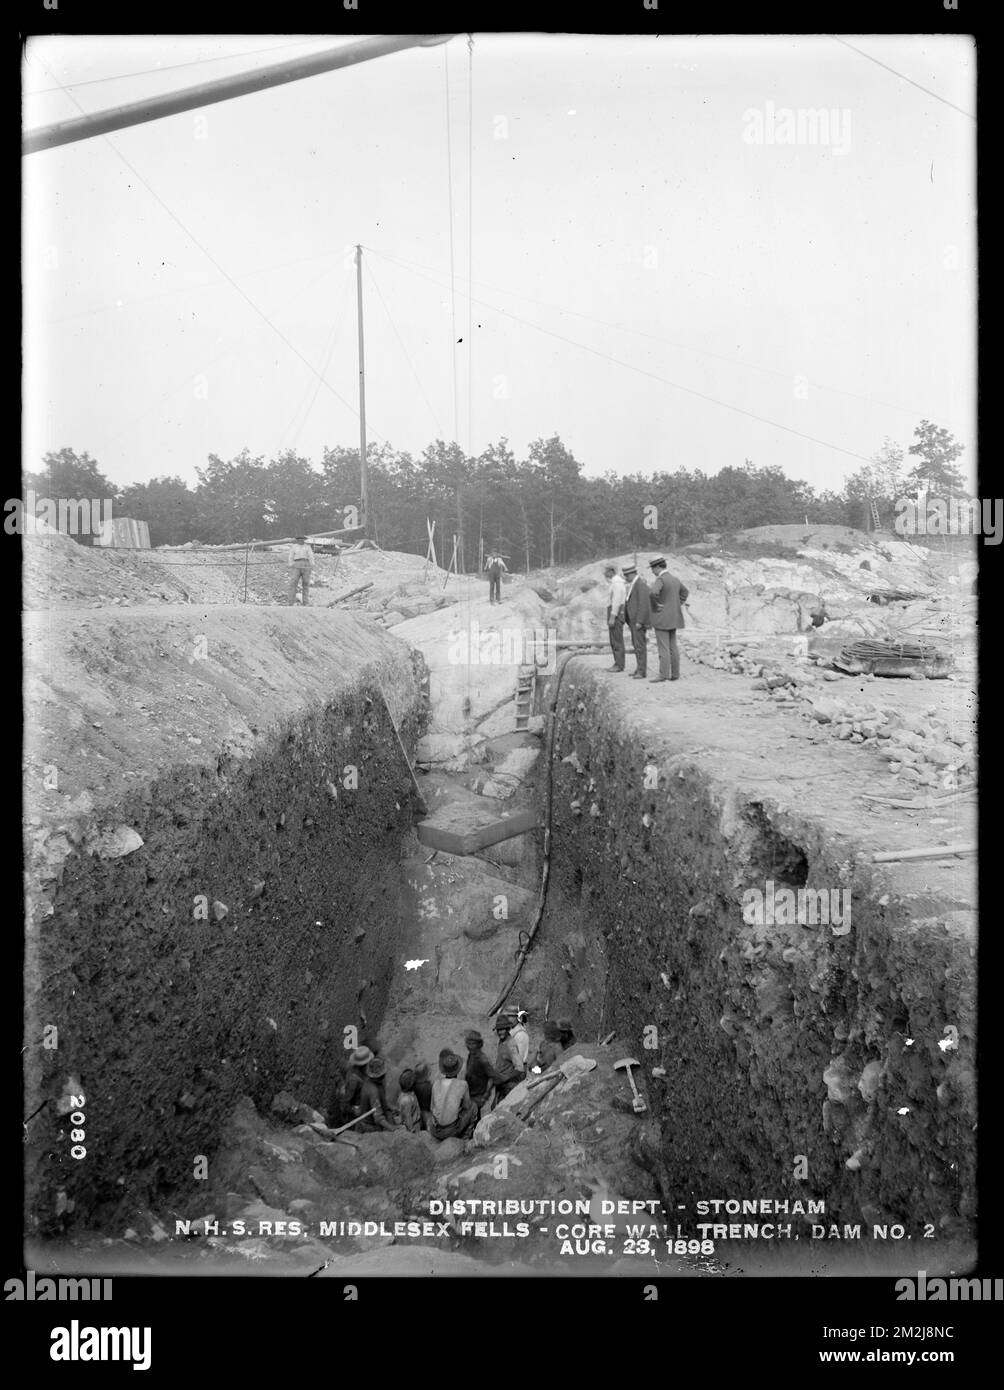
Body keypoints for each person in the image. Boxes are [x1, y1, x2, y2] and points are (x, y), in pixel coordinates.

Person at [647, 556, 689, 683]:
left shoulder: (661, 579)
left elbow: (653, 593)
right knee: (673, 647)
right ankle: (675, 674)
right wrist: (677, 604)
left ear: (658, 567)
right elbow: (685, 592)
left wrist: (656, 606)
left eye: (653, 569)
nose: (652, 571)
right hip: (674, 617)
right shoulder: (675, 579)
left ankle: (663, 675)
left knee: (663, 648)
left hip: (662, 618)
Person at [430, 1051, 478, 1141]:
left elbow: (432, 1108)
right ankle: (466, 1137)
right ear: (457, 1069)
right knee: (474, 1107)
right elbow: (467, 1106)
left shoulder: (436, 1084)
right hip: (451, 1131)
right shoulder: (463, 1084)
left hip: (435, 1130)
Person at [463, 1029, 507, 1116]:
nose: (471, 1046)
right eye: (469, 1043)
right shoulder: (471, 1055)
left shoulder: (482, 1060)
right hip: (471, 1093)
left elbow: (494, 1077)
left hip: (478, 1095)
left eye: (474, 1044)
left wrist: (485, 1095)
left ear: (479, 1044)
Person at [623, 563, 652, 679]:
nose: (625, 578)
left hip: (637, 622)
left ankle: (641, 671)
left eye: (626, 575)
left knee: (640, 646)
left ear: (631, 574)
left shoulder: (640, 585)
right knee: (636, 645)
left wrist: (640, 621)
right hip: (633, 621)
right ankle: (639, 668)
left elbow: (644, 605)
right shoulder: (634, 584)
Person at [355, 1057, 397, 1132]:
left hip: (375, 1117)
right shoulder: (373, 1091)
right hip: (371, 1125)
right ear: (380, 1076)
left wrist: (392, 1108)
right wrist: (392, 1128)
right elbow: (378, 1118)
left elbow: (382, 1101)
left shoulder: (374, 1082)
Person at [492, 1017, 525, 1099]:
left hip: (508, 1085)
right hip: (500, 1083)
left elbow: (520, 1068)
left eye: (502, 1029)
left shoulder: (511, 1045)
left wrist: (505, 1078)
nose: (500, 1032)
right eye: (498, 1030)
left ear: (507, 1029)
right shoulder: (502, 1041)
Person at [604, 565, 627, 672]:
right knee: (614, 640)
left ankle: (619, 664)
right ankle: (617, 662)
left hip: (616, 614)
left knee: (617, 640)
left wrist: (613, 616)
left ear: (611, 571)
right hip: (615, 613)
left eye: (606, 571)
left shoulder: (617, 583)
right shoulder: (615, 582)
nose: (604, 574)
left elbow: (616, 601)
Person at [341, 1045, 374, 1119]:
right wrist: (354, 1111)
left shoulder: (363, 1071)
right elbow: (345, 1103)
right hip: (359, 1110)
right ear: (364, 1064)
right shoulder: (354, 1080)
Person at [286, 534, 314, 606]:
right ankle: (290, 602)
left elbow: (311, 556)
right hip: (297, 564)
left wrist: (311, 565)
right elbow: (290, 556)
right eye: (299, 539)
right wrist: (291, 564)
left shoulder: (307, 547)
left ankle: (305, 603)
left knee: (305, 583)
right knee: (293, 583)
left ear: (304, 540)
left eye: (302, 539)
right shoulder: (294, 547)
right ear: (297, 540)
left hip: (306, 564)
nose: (300, 541)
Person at [503, 1008, 531, 1074]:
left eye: (510, 1016)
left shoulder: (520, 1034)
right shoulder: (512, 1030)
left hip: (517, 1070)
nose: (507, 1019)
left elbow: (519, 1058)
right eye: (507, 1016)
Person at [396, 1069, 422, 1133]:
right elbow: (408, 1117)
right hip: (412, 1125)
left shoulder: (408, 1094)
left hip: (415, 1121)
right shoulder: (406, 1100)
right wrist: (411, 1129)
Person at [412, 1062, 434, 1131]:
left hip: (418, 1111)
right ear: (426, 1075)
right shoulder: (429, 1087)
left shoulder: (413, 1085)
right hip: (428, 1111)